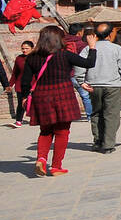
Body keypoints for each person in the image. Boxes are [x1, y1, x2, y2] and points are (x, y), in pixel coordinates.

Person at [23, 25, 97, 176]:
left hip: (41, 96)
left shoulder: (32, 57)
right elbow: (89, 63)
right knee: (62, 132)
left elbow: (25, 82)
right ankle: (56, 166)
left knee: (45, 131)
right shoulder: (65, 55)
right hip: (63, 95)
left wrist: (24, 97)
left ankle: (41, 159)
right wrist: (92, 47)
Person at [73, 24, 121, 153]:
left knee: (96, 113)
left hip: (93, 86)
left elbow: (79, 65)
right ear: (110, 34)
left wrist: (81, 81)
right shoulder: (116, 49)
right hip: (112, 86)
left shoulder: (88, 49)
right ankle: (108, 143)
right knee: (111, 115)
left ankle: (98, 140)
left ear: (95, 35)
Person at [9, 40, 34, 126]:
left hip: (33, 84)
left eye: (27, 48)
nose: (24, 50)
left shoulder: (36, 58)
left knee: (34, 102)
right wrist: (10, 85)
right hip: (20, 84)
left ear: (32, 48)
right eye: (23, 49)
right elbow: (15, 73)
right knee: (21, 103)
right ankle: (18, 120)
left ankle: (35, 118)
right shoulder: (19, 59)